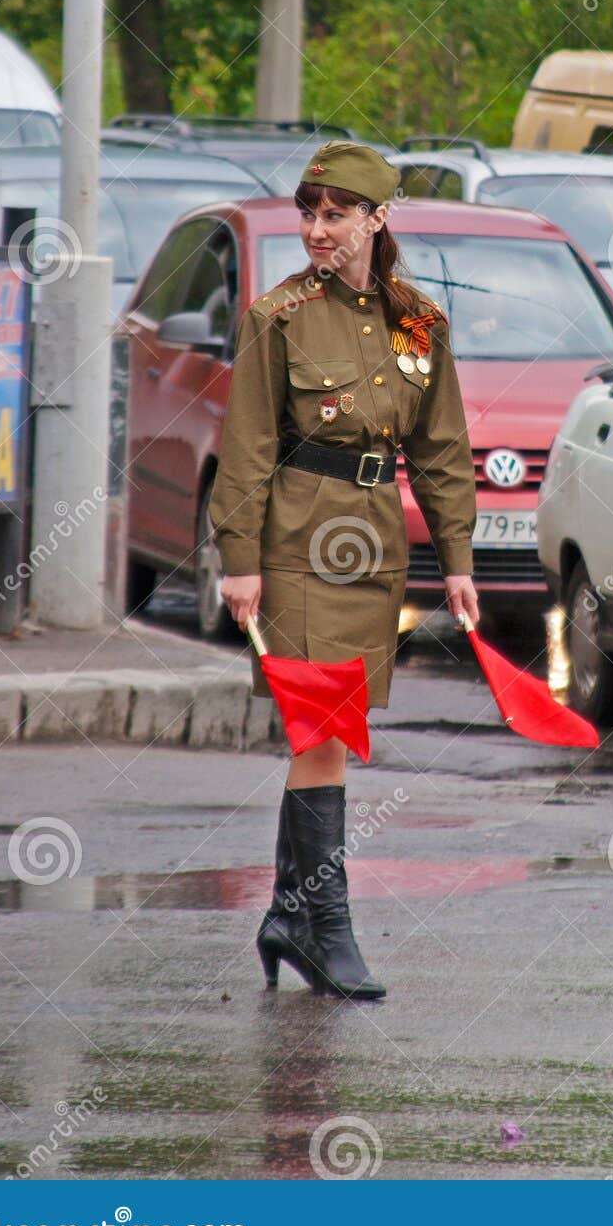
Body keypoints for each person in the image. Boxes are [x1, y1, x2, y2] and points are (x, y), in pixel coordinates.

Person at [209, 141, 479, 999]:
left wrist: (459, 560)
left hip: (369, 545)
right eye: (308, 213)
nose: (317, 230)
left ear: (376, 219)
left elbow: (441, 451)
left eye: (335, 215)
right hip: (294, 541)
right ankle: (327, 926)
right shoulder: (276, 315)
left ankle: (291, 916)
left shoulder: (418, 324)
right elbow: (245, 446)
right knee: (320, 732)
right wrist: (239, 559)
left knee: (332, 734)